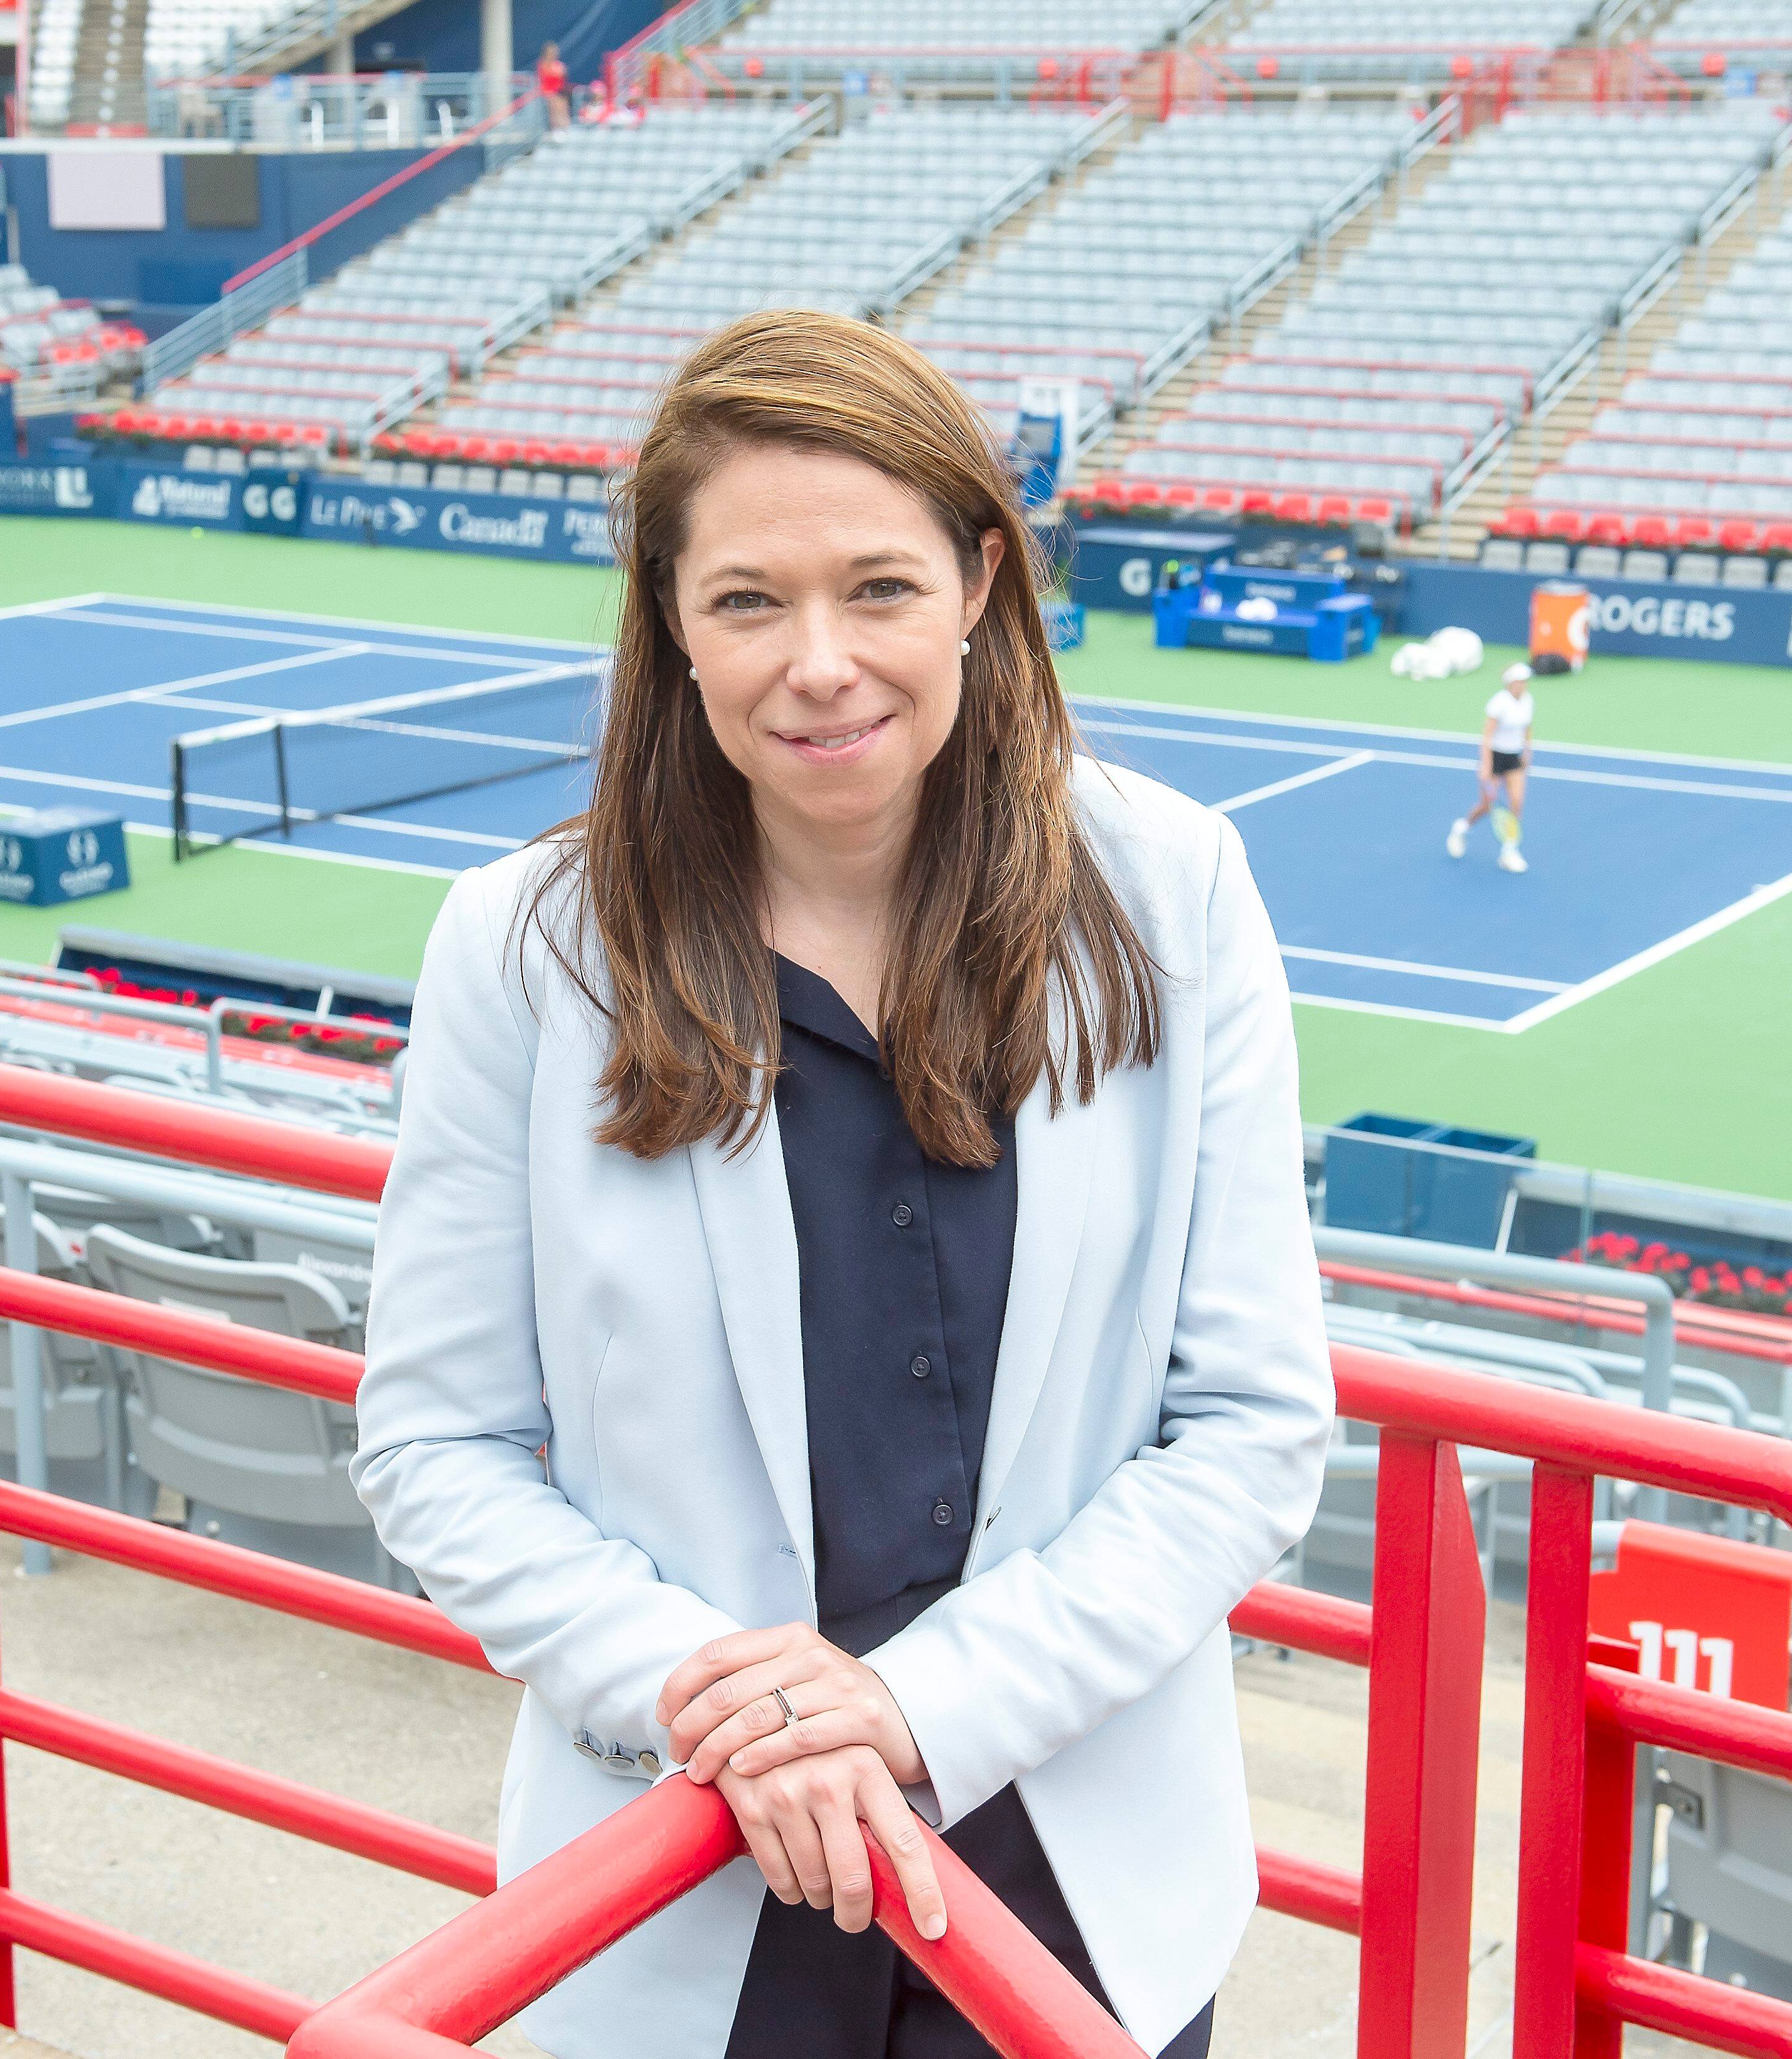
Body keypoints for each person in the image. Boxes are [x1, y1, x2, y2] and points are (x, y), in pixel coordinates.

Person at [353, 310, 1333, 2059]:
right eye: (748, 600)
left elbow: (1252, 1424)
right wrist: (712, 1704)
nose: (821, 662)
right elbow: (435, 1444)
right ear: (671, 619)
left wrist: (909, 1706)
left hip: (1079, 1898)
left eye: (878, 588)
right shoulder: (522, 947)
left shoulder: (1175, 890)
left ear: (977, 579)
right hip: (682, 1877)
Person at [1449, 660, 1534, 872]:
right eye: (1519, 681)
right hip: (1495, 758)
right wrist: (1486, 765)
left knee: (1517, 804)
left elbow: (1527, 730)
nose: (1523, 685)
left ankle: (1509, 852)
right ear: (1510, 683)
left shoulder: (1528, 701)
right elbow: (1487, 736)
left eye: (1525, 681)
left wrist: (1527, 752)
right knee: (1487, 805)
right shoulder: (1499, 703)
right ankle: (1461, 828)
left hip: (1514, 759)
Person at [536, 40, 571, 127]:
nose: (554, 54)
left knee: (563, 104)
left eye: (555, 52)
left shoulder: (560, 66)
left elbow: (562, 83)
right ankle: (555, 127)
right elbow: (543, 80)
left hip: (559, 92)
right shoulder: (542, 65)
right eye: (551, 52)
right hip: (546, 93)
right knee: (554, 103)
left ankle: (565, 127)